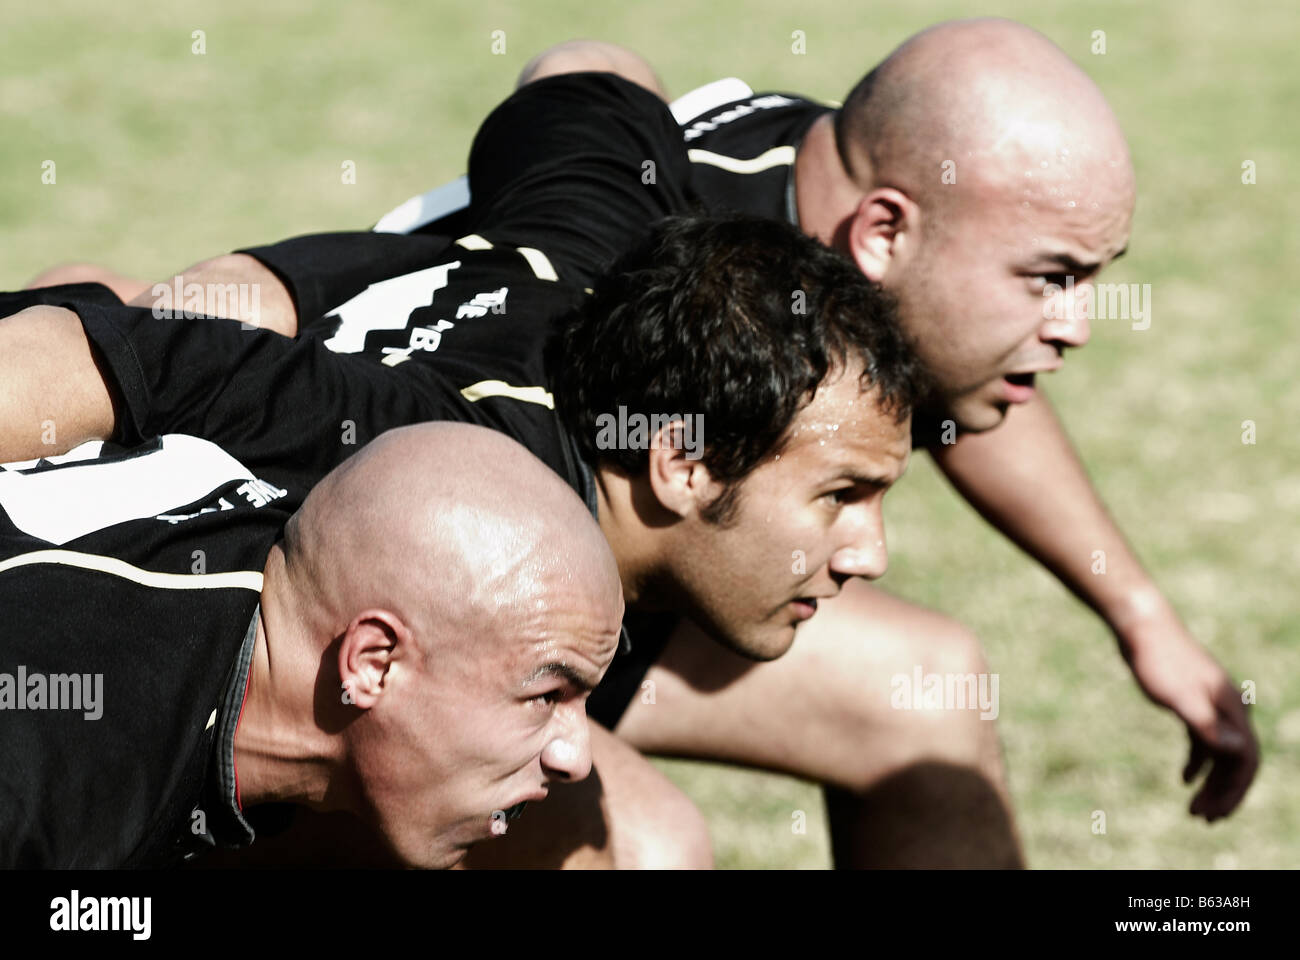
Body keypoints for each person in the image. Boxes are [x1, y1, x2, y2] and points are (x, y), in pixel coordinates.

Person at [0, 421, 624, 868]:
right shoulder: (58, 761)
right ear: (372, 663)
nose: (576, 758)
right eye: (548, 694)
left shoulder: (260, 481)